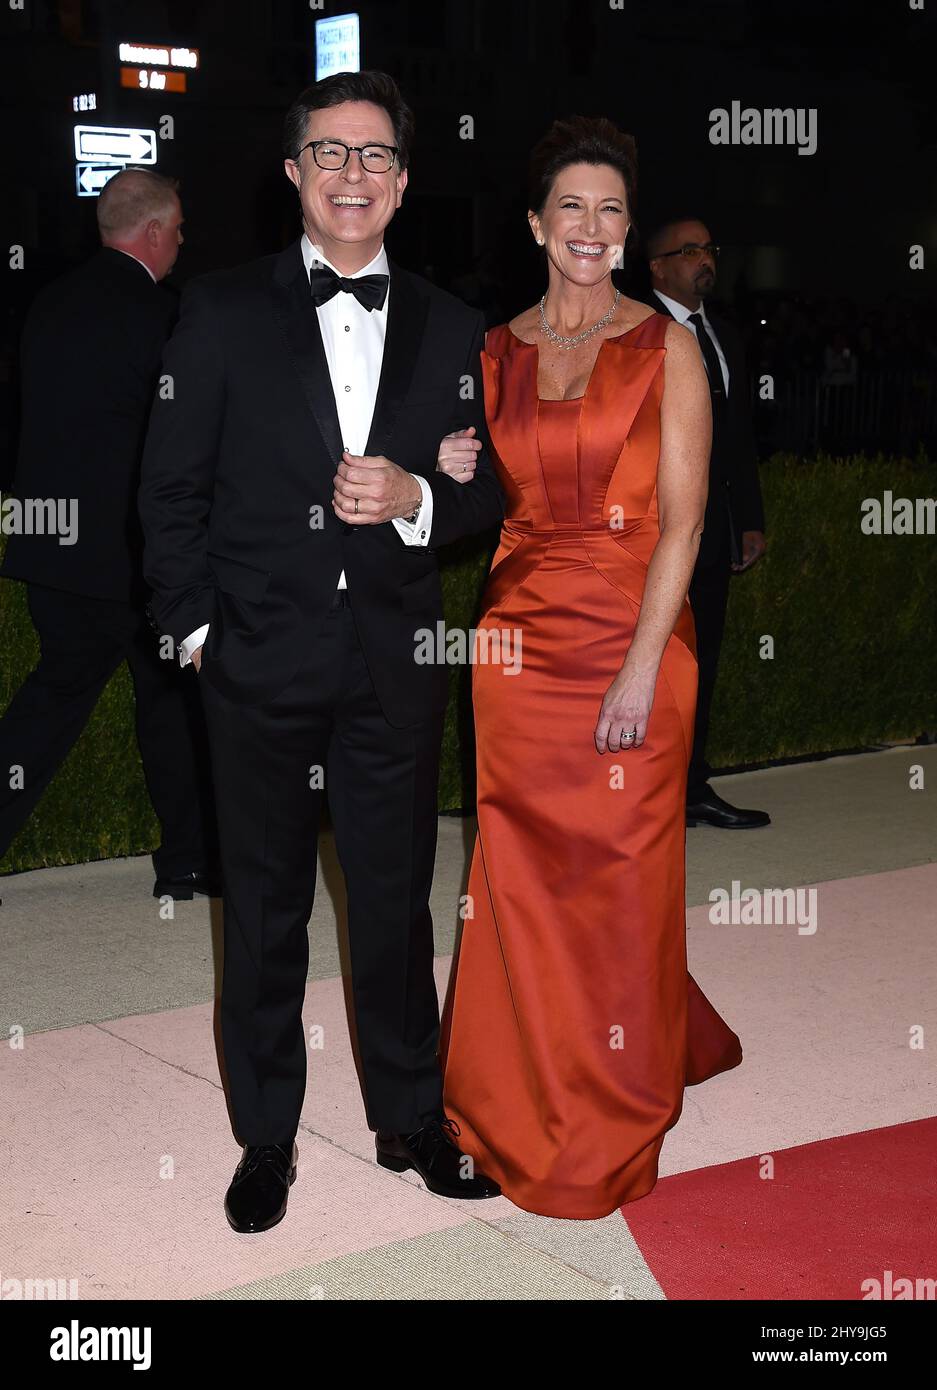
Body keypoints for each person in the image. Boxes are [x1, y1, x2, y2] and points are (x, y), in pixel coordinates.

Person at [138, 71, 505, 1234]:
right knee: (263, 913)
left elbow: (488, 488)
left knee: (395, 907)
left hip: (393, 670)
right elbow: (167, 488)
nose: (354, 174)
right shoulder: (223, 308)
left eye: (377, 157)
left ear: (403, 183)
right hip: (255, 666)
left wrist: (411, 497)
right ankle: (265, 1135)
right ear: (293, 172)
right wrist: (195, 632)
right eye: (331, 153)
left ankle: (411, 1118)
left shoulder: (454, 325)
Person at [437, 117, 743, 1220]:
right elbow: (474, 498)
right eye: (571, 206)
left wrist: (635, 669)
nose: (591, 227)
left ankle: (615, 1095)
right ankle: (499, 1095)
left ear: (626, 231)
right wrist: (446, 460)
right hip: (514, 647)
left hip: (634, 635)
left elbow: (686, 524)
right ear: (534, 223)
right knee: (513, 879)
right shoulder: (492, 349)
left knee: (616, 877)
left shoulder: (664, 345)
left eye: (611, 209)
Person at [0, 169, 218, 900]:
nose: (182, 243)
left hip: (50, 548)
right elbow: (177, 444)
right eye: (179, 230)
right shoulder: (162, 315)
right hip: (131, 557)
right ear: (153, 232)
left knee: (49, 704)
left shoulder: (46, 303)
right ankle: (187, 862)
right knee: (175, 707)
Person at [645, 218, 770, 829]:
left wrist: (749, 518)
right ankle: (648, 795)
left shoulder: (723, 336)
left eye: (710, 249)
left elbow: (739, 439)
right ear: (657, 266)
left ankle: (694, 789)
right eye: (689, 250)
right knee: (652, 661)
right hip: (652, 533)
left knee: (704, 664)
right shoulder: (637, 331)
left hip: (714, 535)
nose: (705, 260)